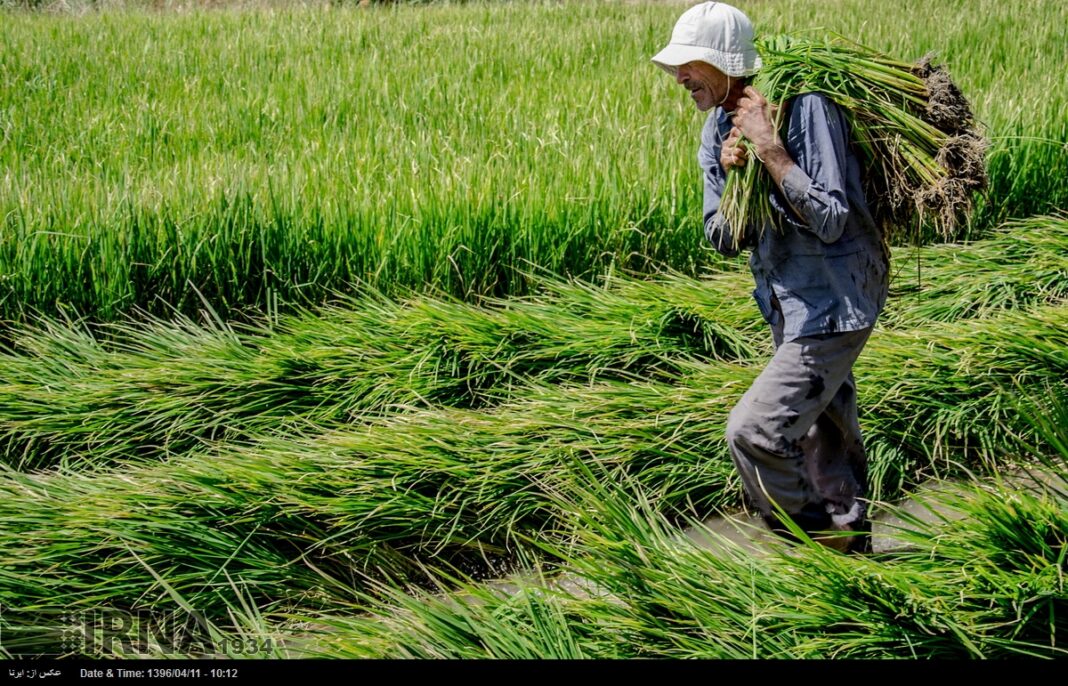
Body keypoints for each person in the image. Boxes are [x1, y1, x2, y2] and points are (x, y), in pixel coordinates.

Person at [651, 2, 890, 553]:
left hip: (836, 299)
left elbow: (831, 219)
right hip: (785, 303)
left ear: (726, 61)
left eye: (689, 64)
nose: (679, 77)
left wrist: (769, 147)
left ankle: (814, 547)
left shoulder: (806, 107)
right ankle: (855, 556)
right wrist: (733, 180)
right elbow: (720, 237)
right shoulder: (715, 130)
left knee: (753, 431)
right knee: (824, 438)